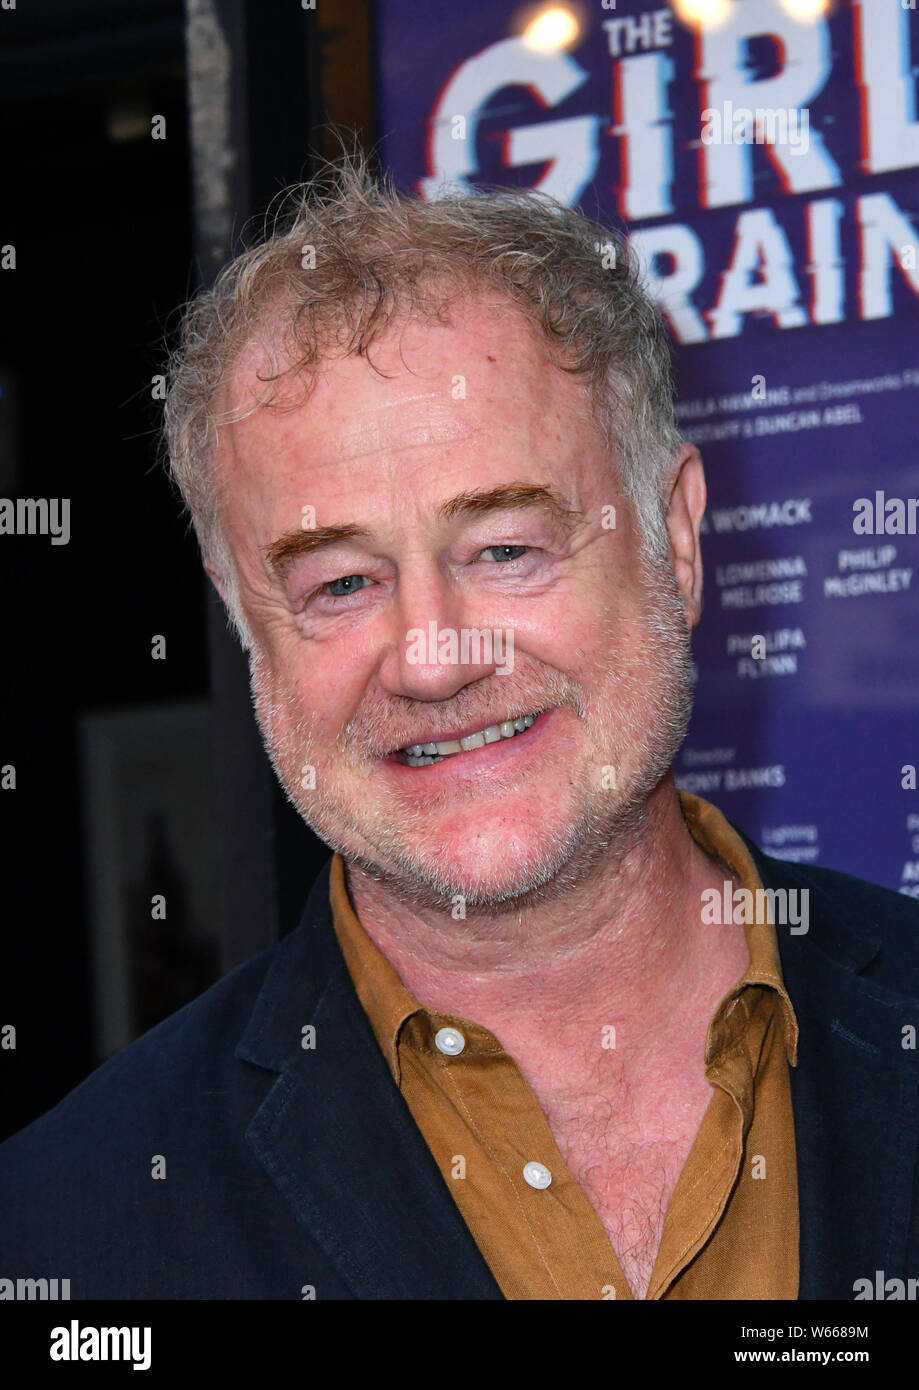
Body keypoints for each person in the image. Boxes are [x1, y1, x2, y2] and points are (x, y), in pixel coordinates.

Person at [2, 153, 917, 1301]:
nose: (432, 659)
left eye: (504, 549)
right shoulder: (63, 1235)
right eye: (339, 583)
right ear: (244, 620)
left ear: (674, 542)